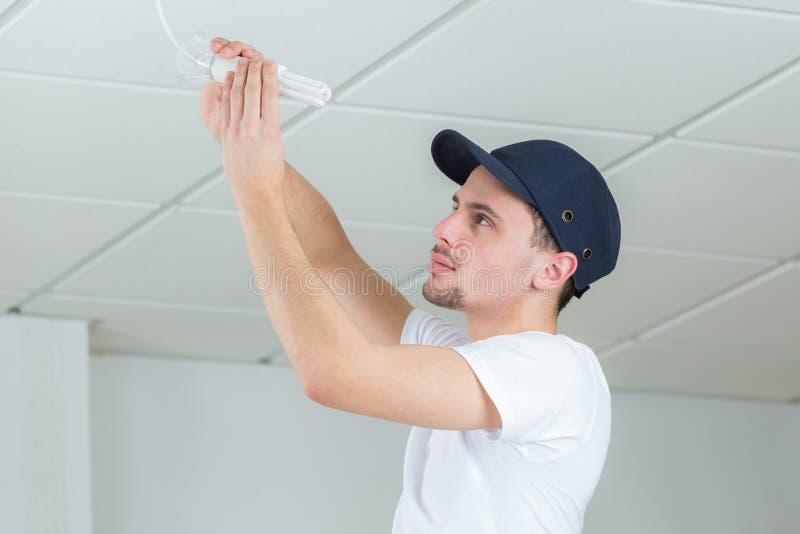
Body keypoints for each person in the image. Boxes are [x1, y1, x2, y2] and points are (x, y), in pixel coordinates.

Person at [200, 37, 621, 534]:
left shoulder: (558, 371)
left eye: (482, 220)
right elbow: (331, 257)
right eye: (456, 207)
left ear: (553, 270)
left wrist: (254, 188)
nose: (444, 230)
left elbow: (332, 374)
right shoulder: (466, 362)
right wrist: (245, 140)